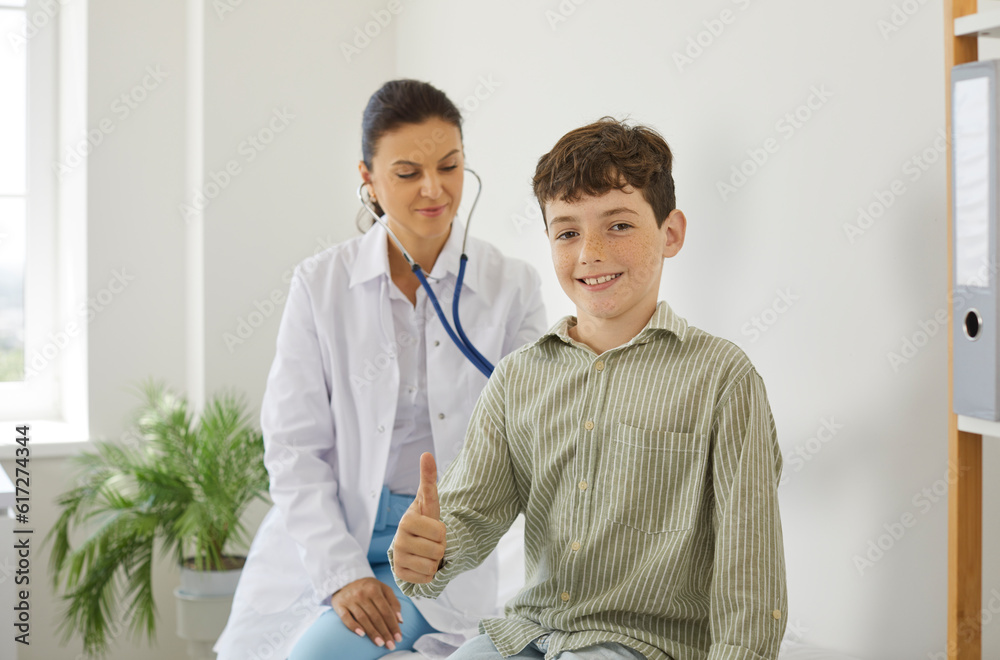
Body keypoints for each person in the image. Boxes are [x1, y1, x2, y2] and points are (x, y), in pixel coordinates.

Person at [390, 118, 787, 660]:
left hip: (646, 646)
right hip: (528, 634)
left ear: (670, 232)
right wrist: (430, 551)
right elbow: (469, 519)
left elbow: (751, 568)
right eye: (568, 231)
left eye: (618, 225)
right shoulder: (517, 378)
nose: (590, 252)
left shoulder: (721, 378)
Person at [213, 79, 547, 660]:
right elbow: (294, 447)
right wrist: (342, 572)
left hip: (439, 546)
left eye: (450, 165)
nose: (435, 189)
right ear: (367, 180)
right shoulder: (320, 286)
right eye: (407, 172)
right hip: (334, 529)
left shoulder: (511, 287)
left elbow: (534, 429)